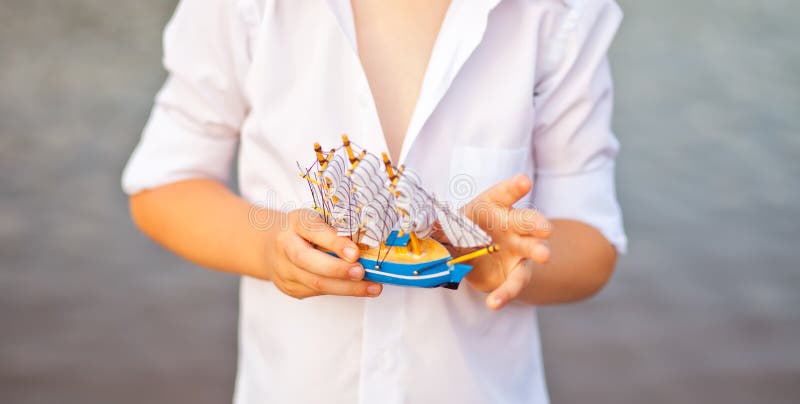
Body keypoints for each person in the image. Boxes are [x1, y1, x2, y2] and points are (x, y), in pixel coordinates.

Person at [122, 0, 627, 402]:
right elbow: (165, 184)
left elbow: (592, 240)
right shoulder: (244, 8)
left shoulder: (563, 15)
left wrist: (506, 263)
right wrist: (270, 247)